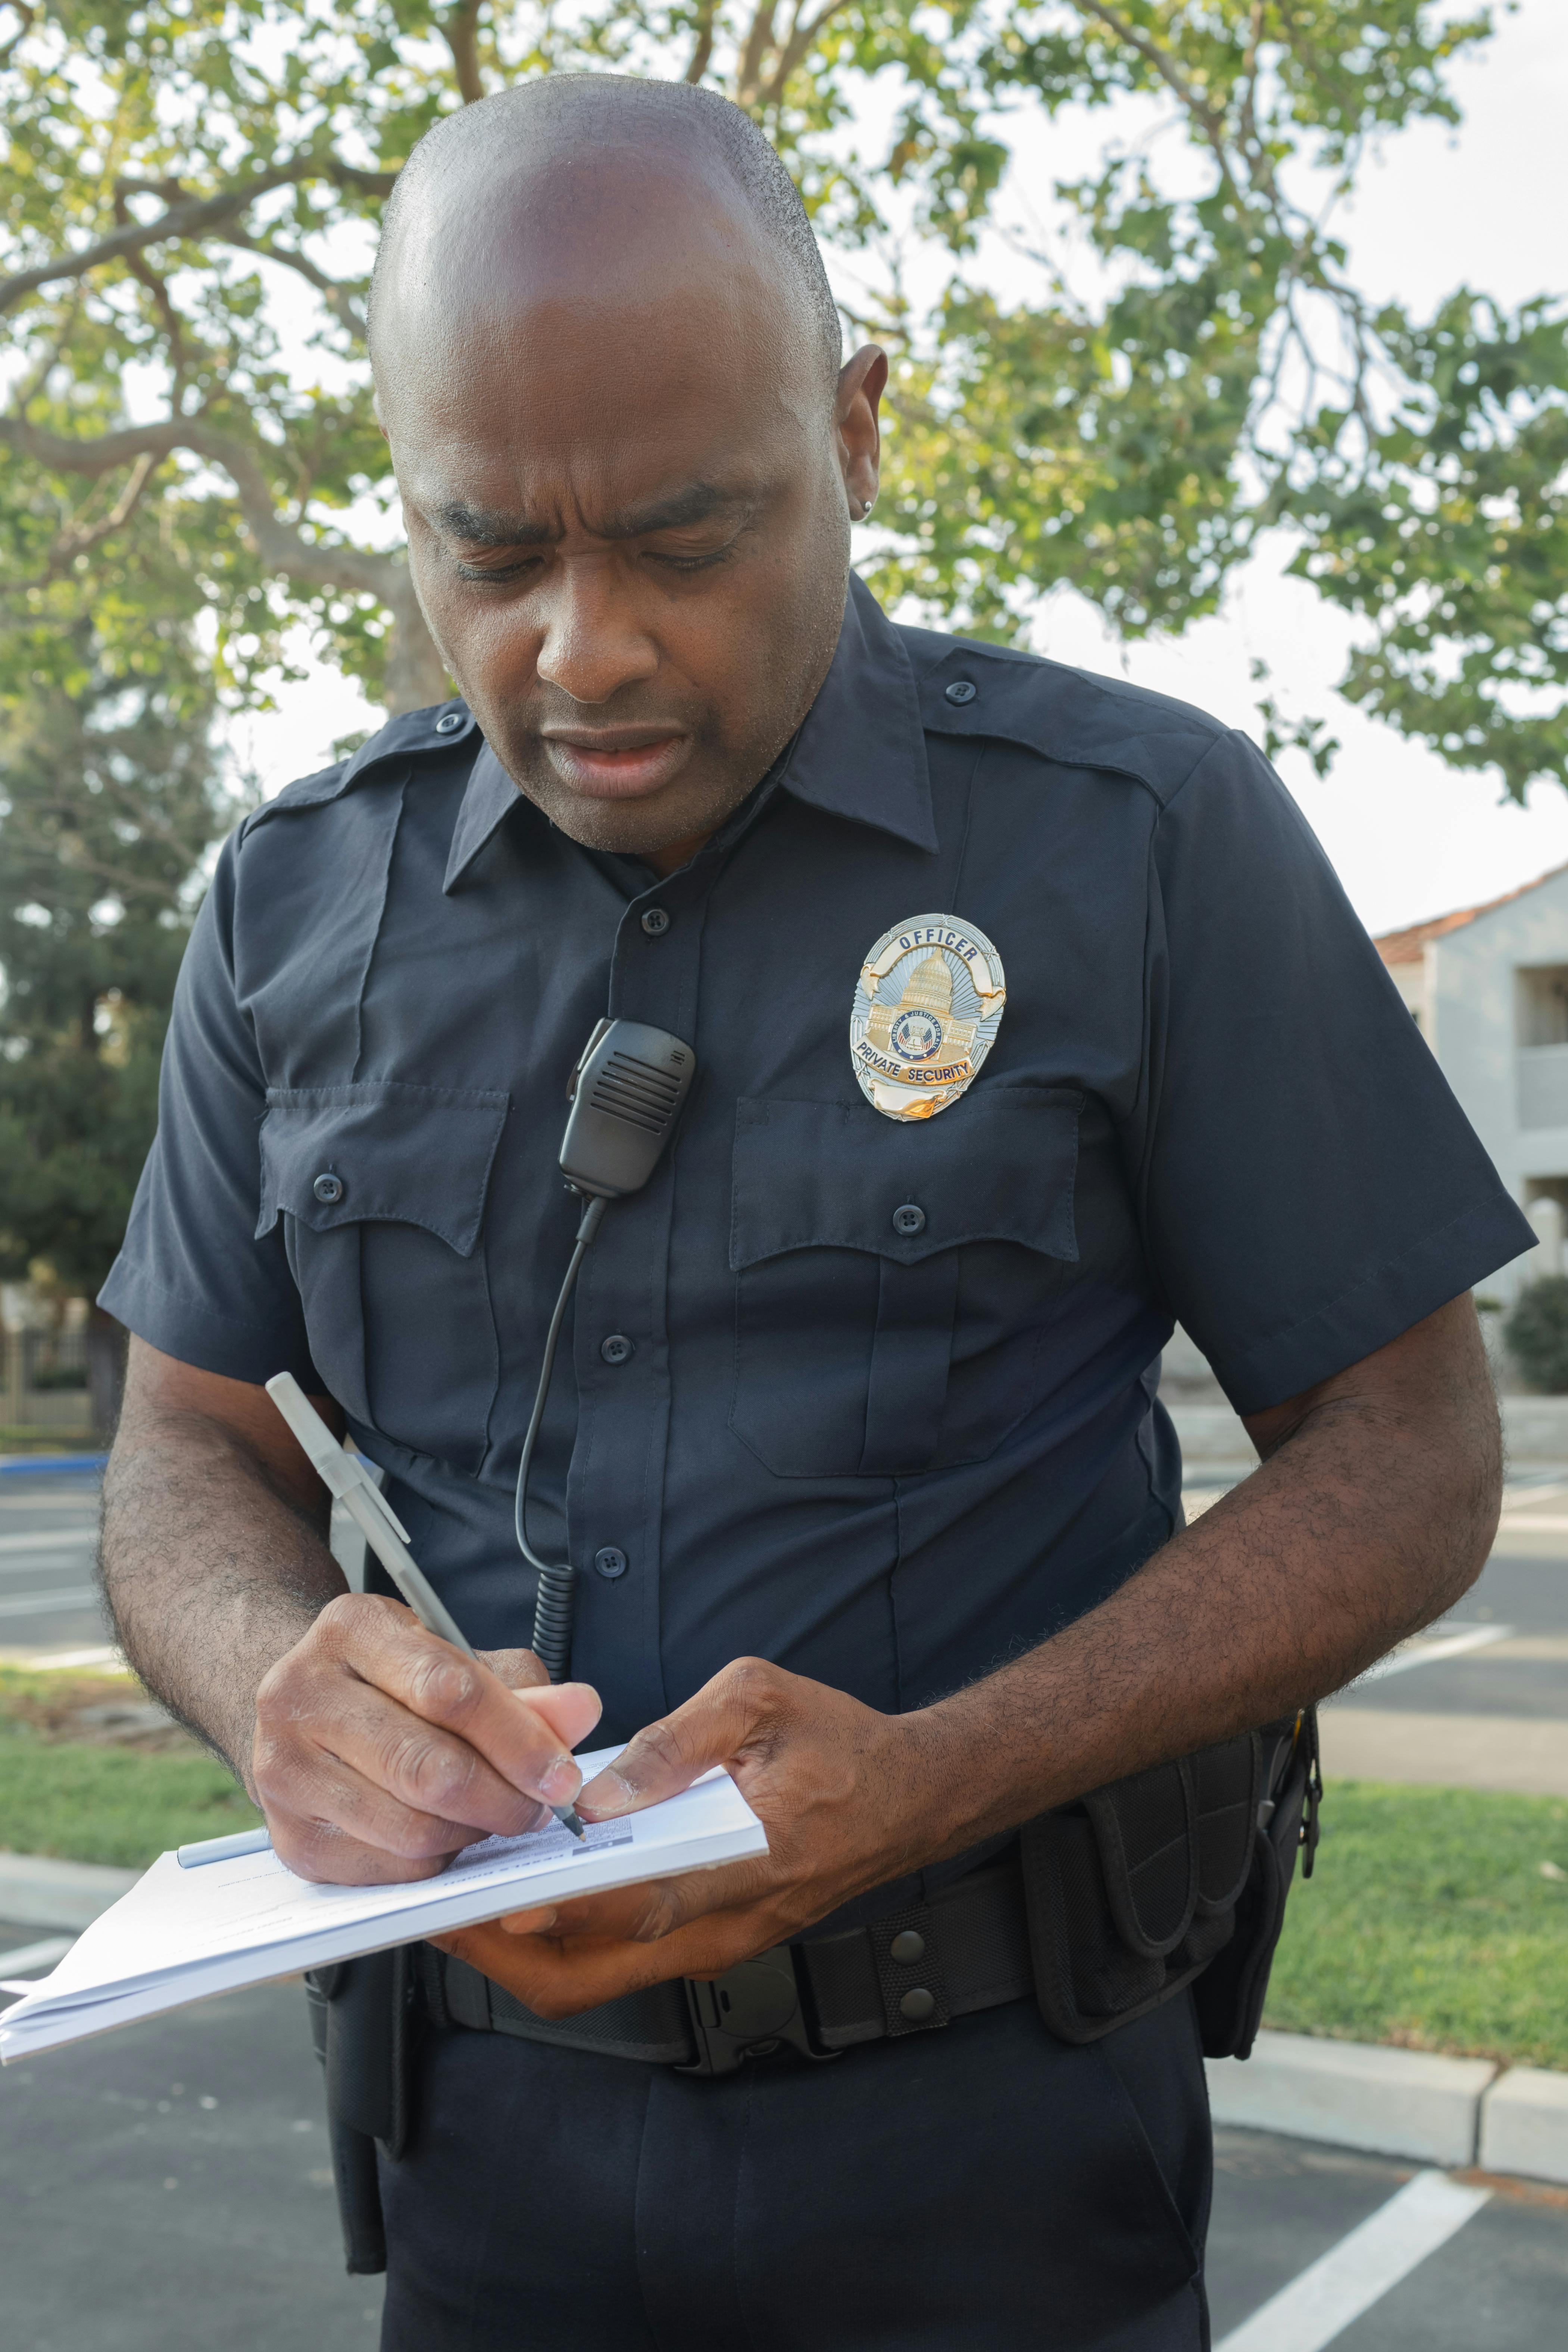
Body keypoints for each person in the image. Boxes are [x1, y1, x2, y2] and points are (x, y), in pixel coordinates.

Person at [98, 72, 1528, 2351]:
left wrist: (940, 1775)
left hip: (998, 2165)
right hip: (487, 2175)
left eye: (686, 536)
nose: (583, 649)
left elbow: (1412, 1454)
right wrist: (271, 1677)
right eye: (489, 551)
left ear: (853, 433)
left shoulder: (1139, 840)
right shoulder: (294, 903)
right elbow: (189, 1448)